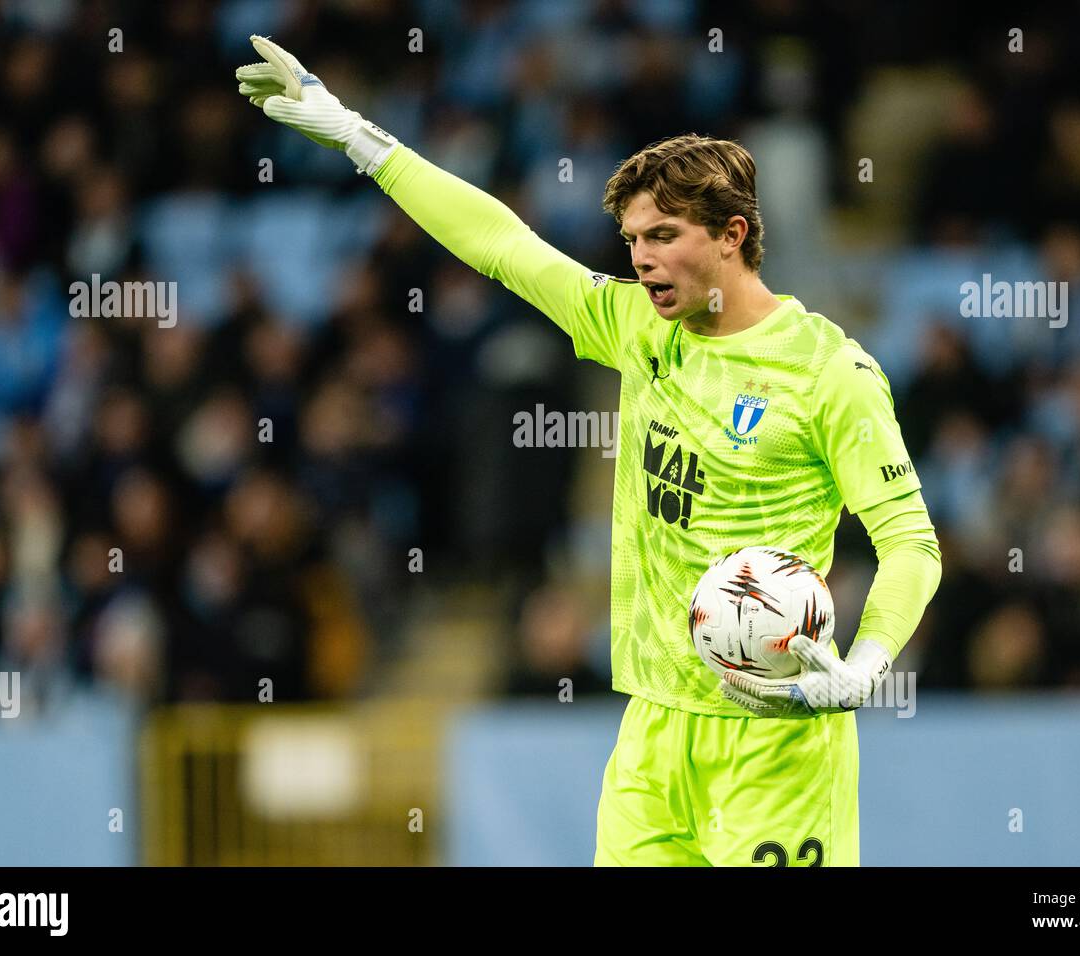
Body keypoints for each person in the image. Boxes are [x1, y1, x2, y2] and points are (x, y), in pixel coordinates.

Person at [236, 36, 942, 866]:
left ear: (733, 234)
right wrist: (358, 136)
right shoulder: (637, 325)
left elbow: (911, 544)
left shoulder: (830, 374)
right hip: (652, 733)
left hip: (774, 742)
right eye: (633, 238)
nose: (641, 259)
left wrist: (867, 663)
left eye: (664, 235)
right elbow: (502, 245)